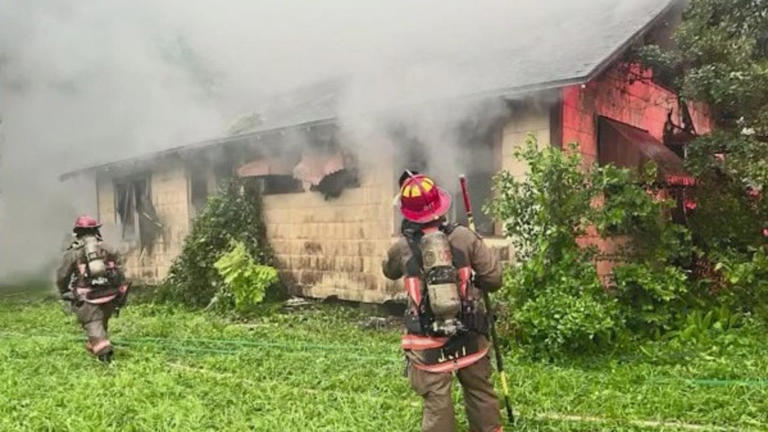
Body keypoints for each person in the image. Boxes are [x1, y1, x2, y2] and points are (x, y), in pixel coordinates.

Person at [382, 172, 503, 432]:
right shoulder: (464, 237)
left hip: (427, 344)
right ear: (441, 205)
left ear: (408, 214)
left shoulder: (401, 247)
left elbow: (388, 271)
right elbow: (494, 279)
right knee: (480, 392)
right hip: (470, 335)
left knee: (437, 404)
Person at [56, 215, 128, 363]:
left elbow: (63, 276)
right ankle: (96, 345)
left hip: (88, 298)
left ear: (78, 232)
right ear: (96, 230)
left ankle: (106, 358)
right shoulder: (108, 248)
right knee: (101, 323)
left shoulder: (73, 253)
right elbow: (120, 270)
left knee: (93, 325)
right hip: (110, 295)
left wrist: (64, 291)